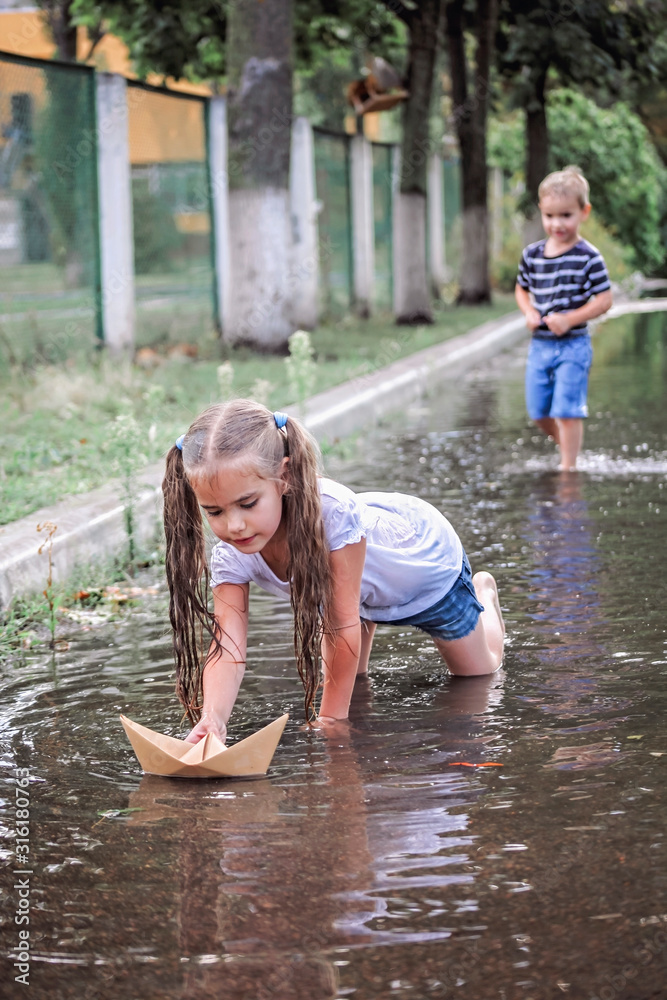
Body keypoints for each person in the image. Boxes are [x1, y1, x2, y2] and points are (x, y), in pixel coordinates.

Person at [161, 400, 505, 744]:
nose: (234, 525)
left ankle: (483, 596)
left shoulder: (333, 515)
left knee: (477, 676)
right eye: (215, 511)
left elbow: (341, 625)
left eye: (248, 504)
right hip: (350, 598)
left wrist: (330, 722)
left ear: (285, 476)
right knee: (348, 683)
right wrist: (213, 718)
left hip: (426, 572)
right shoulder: (232, 555)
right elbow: (228, 646)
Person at [515, 165, 613, 471]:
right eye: (550, 216)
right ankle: (569, 449)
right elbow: (521, 288)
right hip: (540, 345)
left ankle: (568, 470)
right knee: (538, 410)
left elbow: (605, 300)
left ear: (584, 212)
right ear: (542, 212)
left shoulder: (589, 257)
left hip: (574, 344)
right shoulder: (532, 255)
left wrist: (571, 319)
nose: (557, 223)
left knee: (568, 409)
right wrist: (529, 311)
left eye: (566, 215)